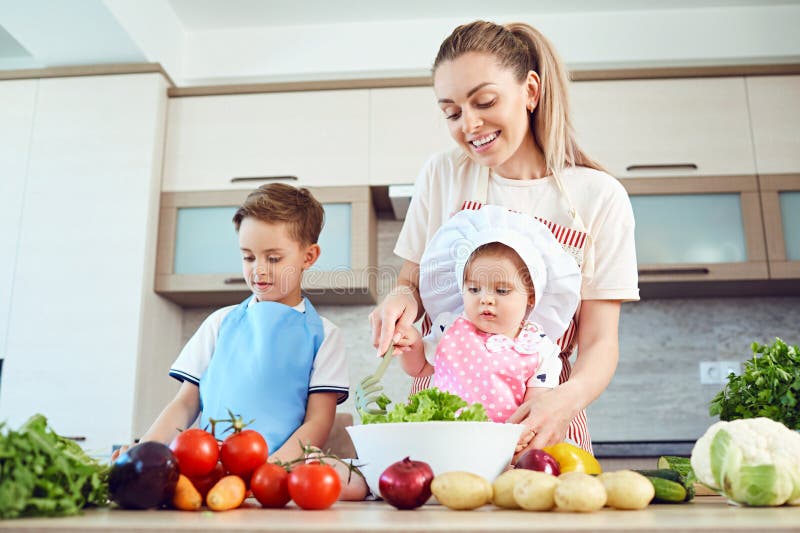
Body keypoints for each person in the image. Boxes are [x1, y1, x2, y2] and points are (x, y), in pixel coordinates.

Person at [369, 20, 639, 454]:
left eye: (485, 101)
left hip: (543, 416)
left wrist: (560, 403)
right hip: (440, 416)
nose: (469, 125)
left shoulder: (598, 196)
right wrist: (399, 299)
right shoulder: (444, 175)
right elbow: (410, 285)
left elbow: (600, 343)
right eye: (452, 112)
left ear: (530, 91)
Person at [113, 183, 366, 499]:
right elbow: (186, 402)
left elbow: (318, 420)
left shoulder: (325, 335)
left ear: (309, 256)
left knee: (356, 481)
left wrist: (272, 467)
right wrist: (146, 448)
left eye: (273, 258)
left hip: (283, 460)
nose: (258, 270)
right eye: (248, 257)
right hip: (209, 459)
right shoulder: (220, 322)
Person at [391, 206, 581, 454]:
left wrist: (521, 441)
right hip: (443, 446)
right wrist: (411, 343)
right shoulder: (450, 328)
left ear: (531, 297)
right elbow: (419, 367)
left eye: (501, 291)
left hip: (502, 451)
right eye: (474, 289)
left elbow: (533, 406)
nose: (486, 299)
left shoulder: (540, 349)